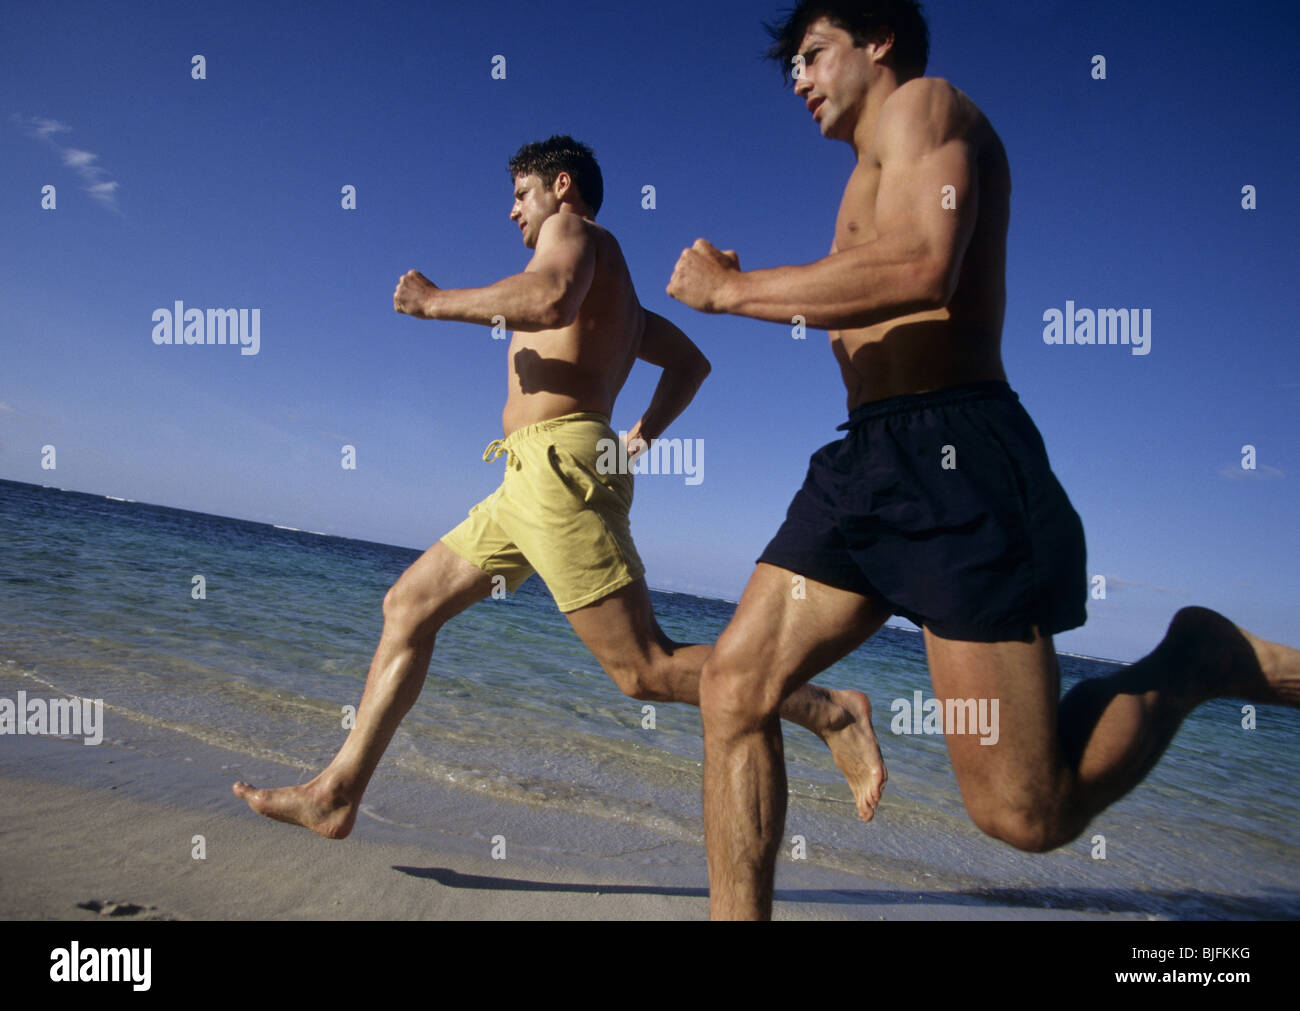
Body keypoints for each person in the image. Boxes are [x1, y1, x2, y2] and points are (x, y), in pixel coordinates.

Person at [666, 1, 1300, 920]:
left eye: (813, 54)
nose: (797, 80)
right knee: (734, 687)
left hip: (955, 457)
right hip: (865, 461)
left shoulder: (926, 105)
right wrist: (755, 289)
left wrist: (732, 290)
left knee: (1024, 811)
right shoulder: (861, 176)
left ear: (879, 40)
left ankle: (1198, 657)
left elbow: (922, 265)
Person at [234, 135, 886, 838]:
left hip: (558, 471)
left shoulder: (573, 234)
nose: (513, 210)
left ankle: (829, 710)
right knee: (408, 607)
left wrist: (435, 301)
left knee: (643, 669)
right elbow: (690, 363)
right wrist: (639, 437)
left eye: (522, 194)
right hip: (527, 476)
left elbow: (547, 299)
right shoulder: (617, 297)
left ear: (562, 187)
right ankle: (337, 793)